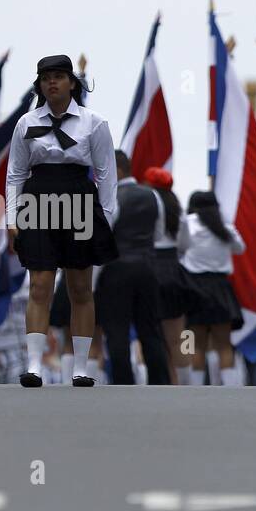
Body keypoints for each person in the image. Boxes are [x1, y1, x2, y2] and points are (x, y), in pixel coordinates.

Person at [7, 54, 118, 387]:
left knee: (80, 287)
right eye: (45, 77)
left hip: (79, 199)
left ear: (72, 82)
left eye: (58, 76)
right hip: (39, 197)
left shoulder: (94, 122)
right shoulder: (26, 123)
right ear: (39, 84)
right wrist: (12, 217)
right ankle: (34, 366)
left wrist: (106, 220)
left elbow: (106, 175)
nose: (51, 82)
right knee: (39, 285)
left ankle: (81, 367)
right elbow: (15, 173)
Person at [95, 151, 171, 385]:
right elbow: (158, 234)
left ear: (117, 170)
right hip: (148, 268)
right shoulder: (153, 196)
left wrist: (93, 282)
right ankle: (160, 382)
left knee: (117, 330)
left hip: (116, 270)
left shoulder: (111, 197)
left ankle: (123, 382)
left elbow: (104, 234)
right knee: (150, 330)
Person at [179, 190, 246, 385]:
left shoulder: (188, 223)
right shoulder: (225, 226)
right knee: (224, 344)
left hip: (193, 287)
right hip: (220, 287)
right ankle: (230, 389)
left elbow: (179, 247)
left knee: (194, 345)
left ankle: (194, 390)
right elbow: (240, 248)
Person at [141, 167, 195, 385]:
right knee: (179, 336)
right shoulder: (177, 212)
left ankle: (161, 381)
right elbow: (185, 245)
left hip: (150, 268)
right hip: (173, 270)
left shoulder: (147, 207)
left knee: (152, 335)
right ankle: (184, 382)